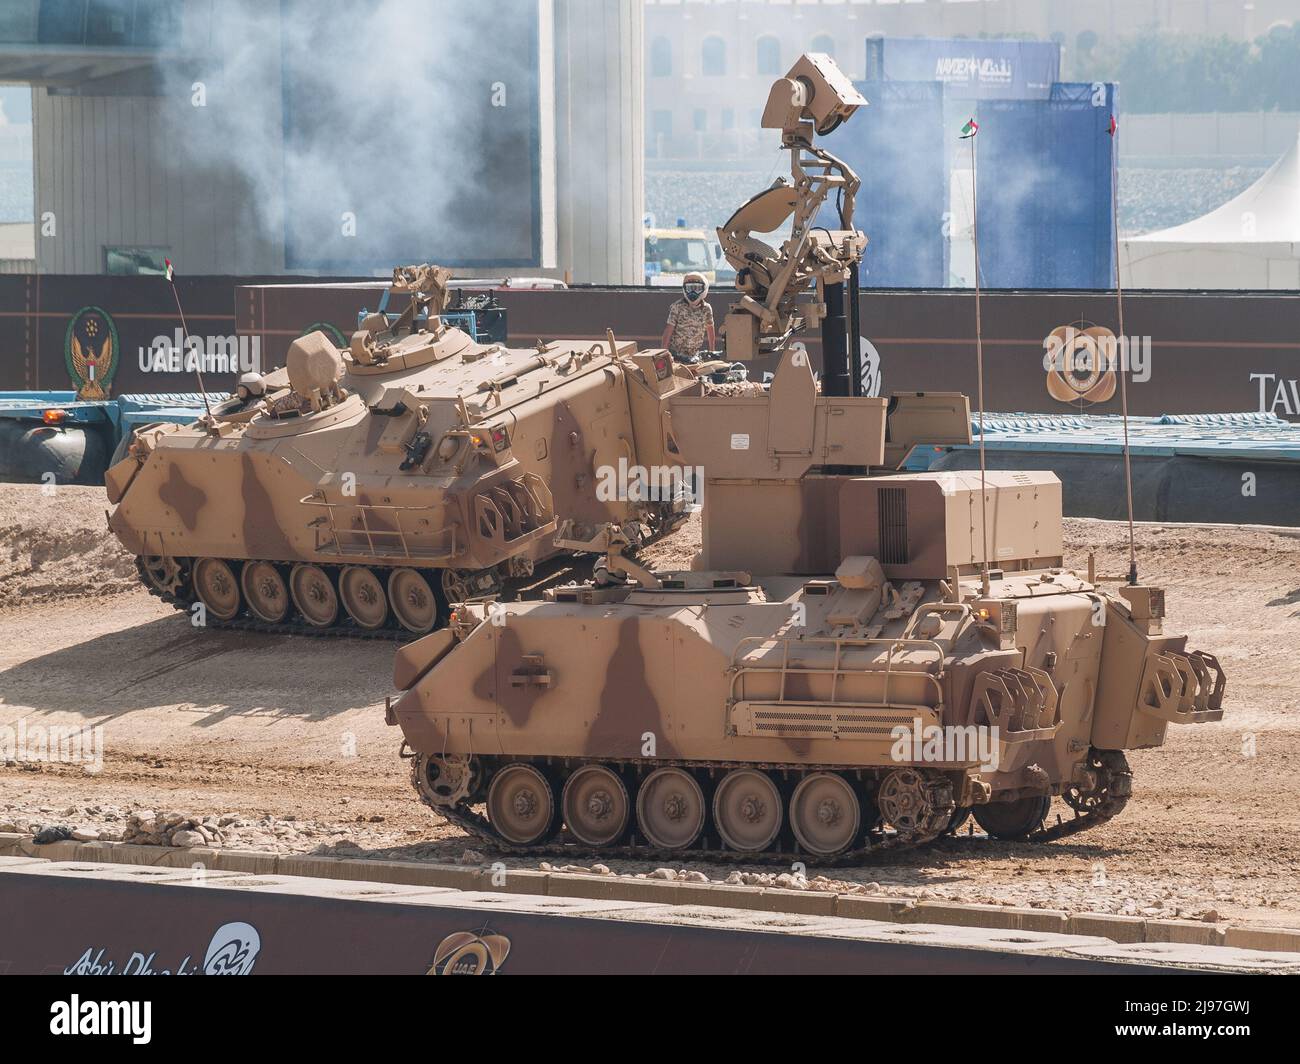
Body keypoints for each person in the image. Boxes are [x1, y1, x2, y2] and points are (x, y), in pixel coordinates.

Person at [661, 272, 715, 361]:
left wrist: (712, 351)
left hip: (693, 355)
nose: (692, 292)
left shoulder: (706, 308)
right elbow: (668, 331)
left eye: (697, 288)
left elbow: (710, 329)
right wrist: (664, 353)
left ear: (704, 289)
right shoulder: (677, 306)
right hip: (676, 354)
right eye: (689, 288)